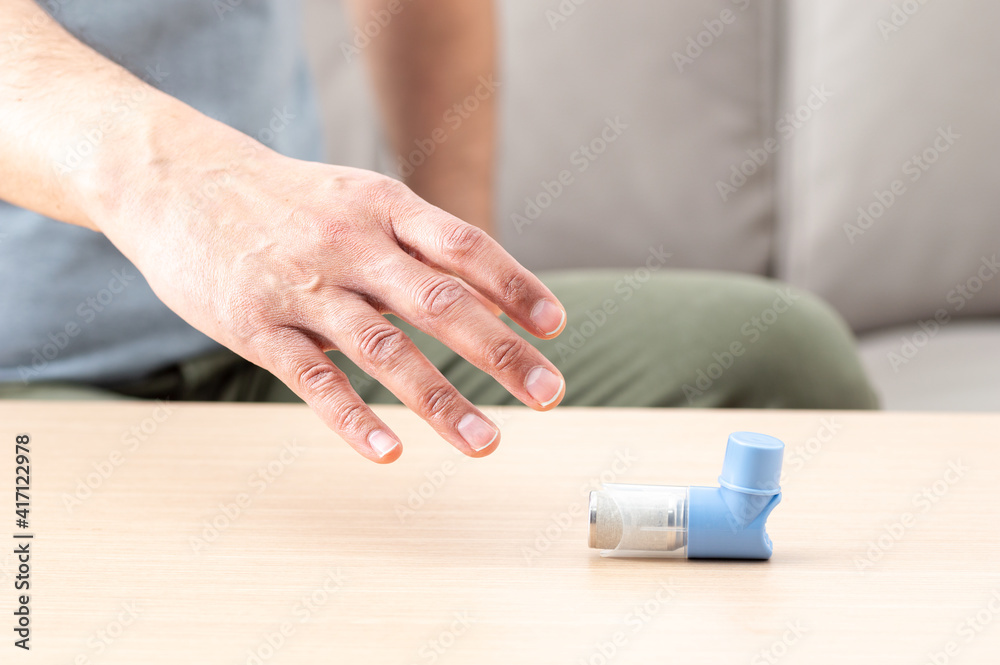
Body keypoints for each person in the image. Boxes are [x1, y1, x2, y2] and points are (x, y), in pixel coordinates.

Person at [0, 0, 878, 464]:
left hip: (300, 329)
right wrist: (179, 185)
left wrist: (441, 273)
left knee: (778, 359)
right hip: (24, 373)